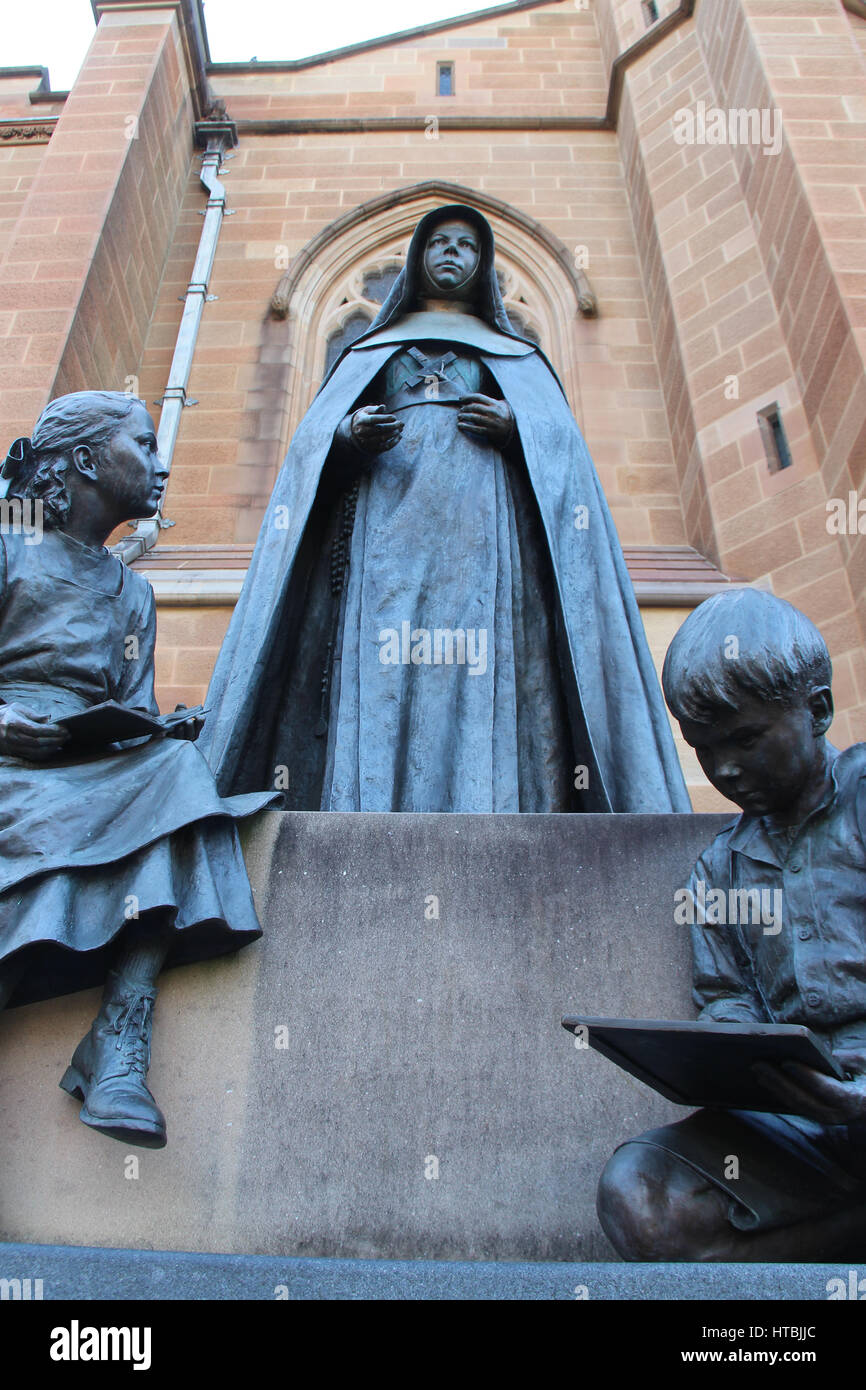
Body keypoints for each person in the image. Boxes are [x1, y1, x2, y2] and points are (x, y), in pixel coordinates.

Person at [200, 203, 690, 814]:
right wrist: (349, 435)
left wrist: (517, 428)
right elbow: (310, 453)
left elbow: (565, 455)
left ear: (483, 264)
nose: (451, 252)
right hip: (383, 537)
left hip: (482, 537)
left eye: (465, 244)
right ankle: (366, 812)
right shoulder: (371, 351)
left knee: (477, 667)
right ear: (417, 258)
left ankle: (480, 806)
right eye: (438, 242)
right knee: (381, 666)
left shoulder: (515, 355)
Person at [0, 391, 275, 1149]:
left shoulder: (132, 592)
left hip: (88, 766)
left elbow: (131, 710)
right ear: (87, 460)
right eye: (145, 446)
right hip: (9, 762)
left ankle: (121, 1037)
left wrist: (155, 728)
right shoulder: (8, 545)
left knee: (178, 769)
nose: (162, 465)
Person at [597, 588, 866, 1260]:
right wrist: (730, 1060)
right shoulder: (718, 869)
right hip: (800, 1126)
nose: (725, 769)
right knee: (641, 1200)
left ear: (818, 711)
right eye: (704, 748)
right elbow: (726, 1001)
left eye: (746, 738)